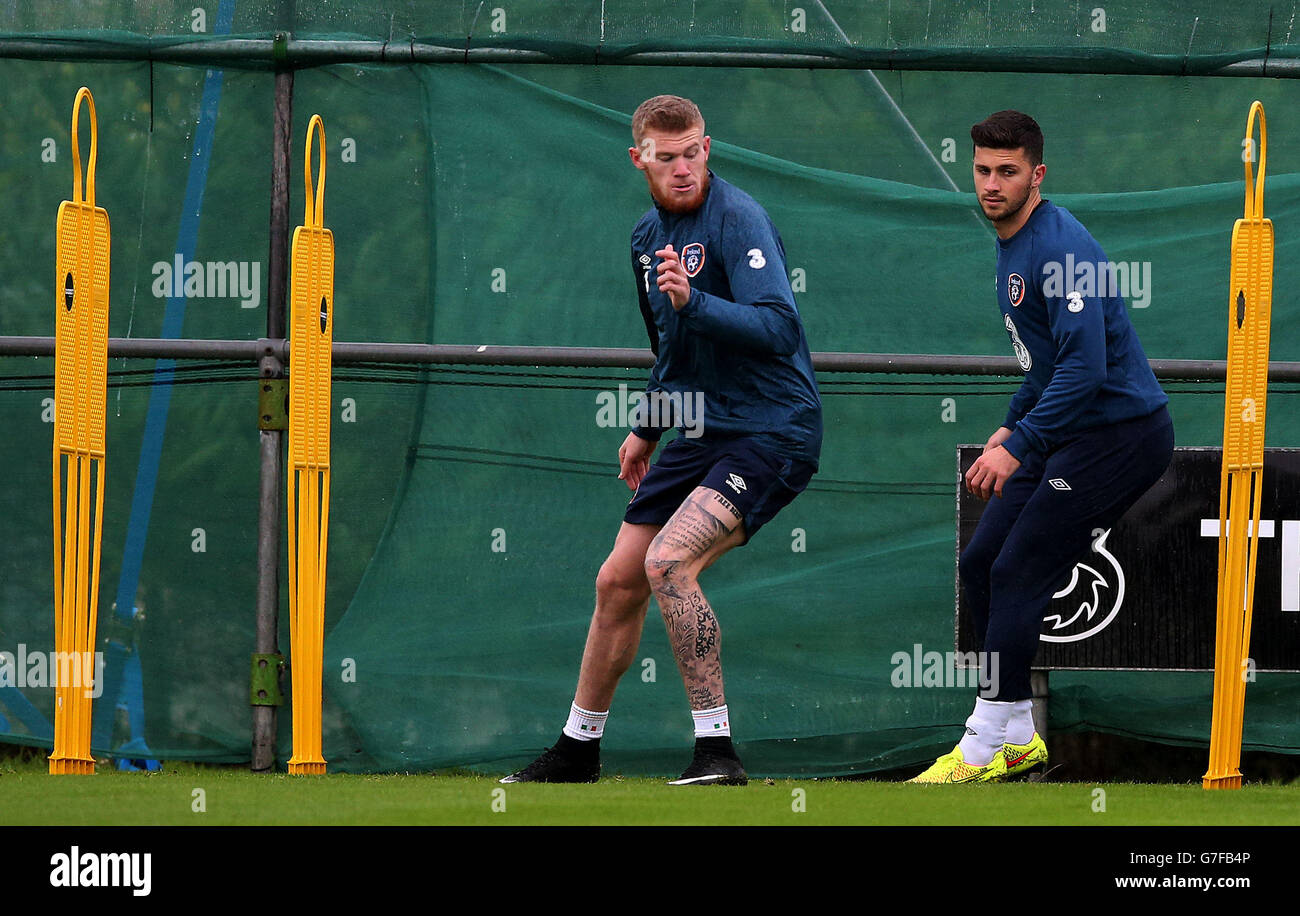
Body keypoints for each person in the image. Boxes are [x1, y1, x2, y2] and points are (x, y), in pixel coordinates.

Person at [502, 95, 822, 786]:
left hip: (773, 428)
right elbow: (673, 355)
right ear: (638, 158)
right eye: (665, 156)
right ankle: (577, 752)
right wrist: (646, 428)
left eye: (692, 152)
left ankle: (717, 753)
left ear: (708, 148)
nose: (682, 168)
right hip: (701, 431)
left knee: (669, 563)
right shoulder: (646, 237)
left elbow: (780, 330)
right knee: (618, 579)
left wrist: (695, 301)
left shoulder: (740, 220)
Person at [910, 110, 1174, 783]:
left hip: (1122, 437)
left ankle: (979, 745)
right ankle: (1020, 737)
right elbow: (1049, 366)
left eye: (1007, 171)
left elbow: (1086, 371)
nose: (992, 183)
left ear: (1037, 174)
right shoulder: (1010, 244)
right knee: (983, 563)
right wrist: (1012, 423)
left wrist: (1021, 443)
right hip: (1070, 430)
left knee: (1017, 570)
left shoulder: (1062, 247)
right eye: (982, 170)